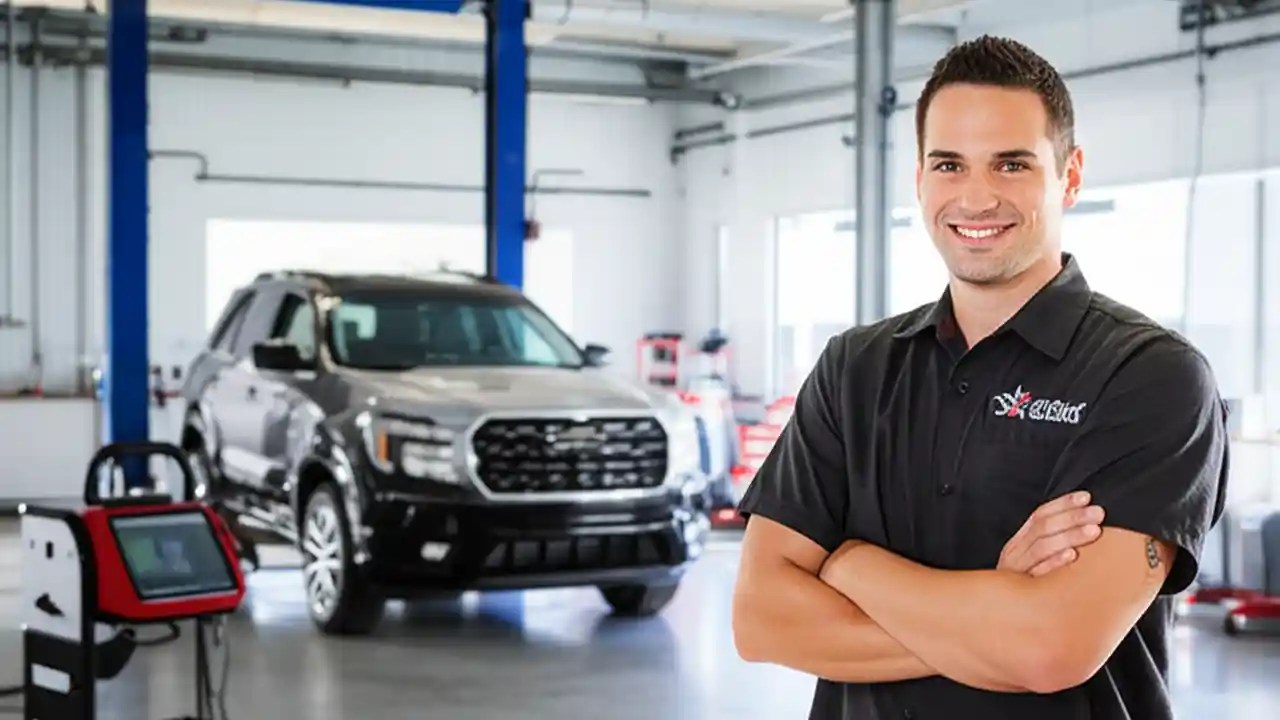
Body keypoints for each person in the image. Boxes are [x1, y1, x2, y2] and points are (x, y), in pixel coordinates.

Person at [731, 35, 1230, 720]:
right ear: (919, 178)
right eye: (949, 164)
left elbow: (1050, 649)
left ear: (1071, 175)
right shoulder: (855, 369)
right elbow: (762, 620)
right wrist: (993, 615)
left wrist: (851, 565)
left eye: (1011, 164)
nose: (976, 196)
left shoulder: (1151, 378)